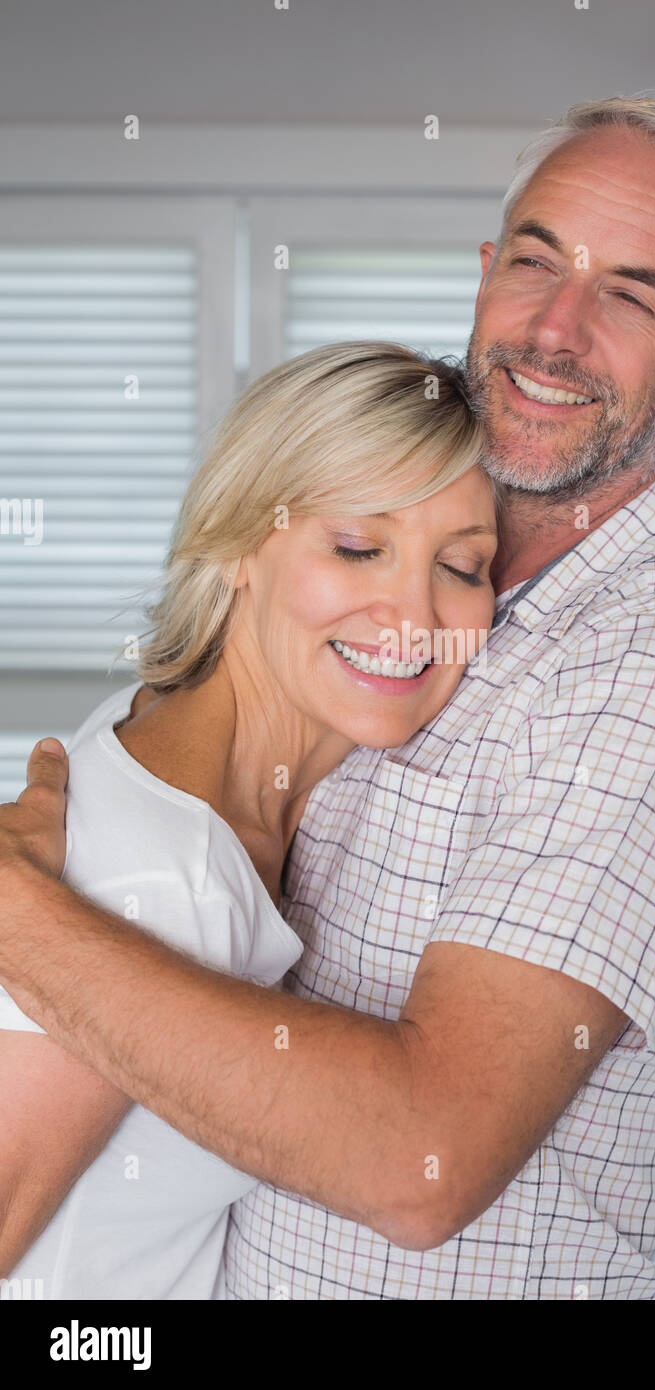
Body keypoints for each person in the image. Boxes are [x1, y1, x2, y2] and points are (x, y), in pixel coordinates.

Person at [0, 96, 655, 1300]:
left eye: (631, 292)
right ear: (485, 273)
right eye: (535, 259)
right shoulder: (402, 579)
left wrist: (20, 912)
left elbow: (420, 1160)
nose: (555, 327)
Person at [0, 341, 498, 1298]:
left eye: (462, 566)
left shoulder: (185, 747)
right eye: (359, 547)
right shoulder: (150, 876)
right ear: (234, 547)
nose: (412, 614)